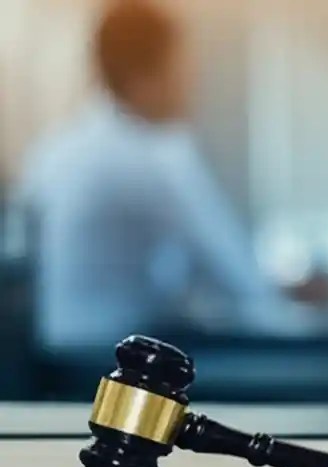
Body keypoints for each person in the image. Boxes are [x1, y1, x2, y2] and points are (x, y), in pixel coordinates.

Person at [17, 0, 295, 348]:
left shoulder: (58, 148)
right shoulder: (153, 155)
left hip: (50, 352)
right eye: (183, 66)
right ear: (146, 77)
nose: (193, 82)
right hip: (109, 358)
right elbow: (236, 277)